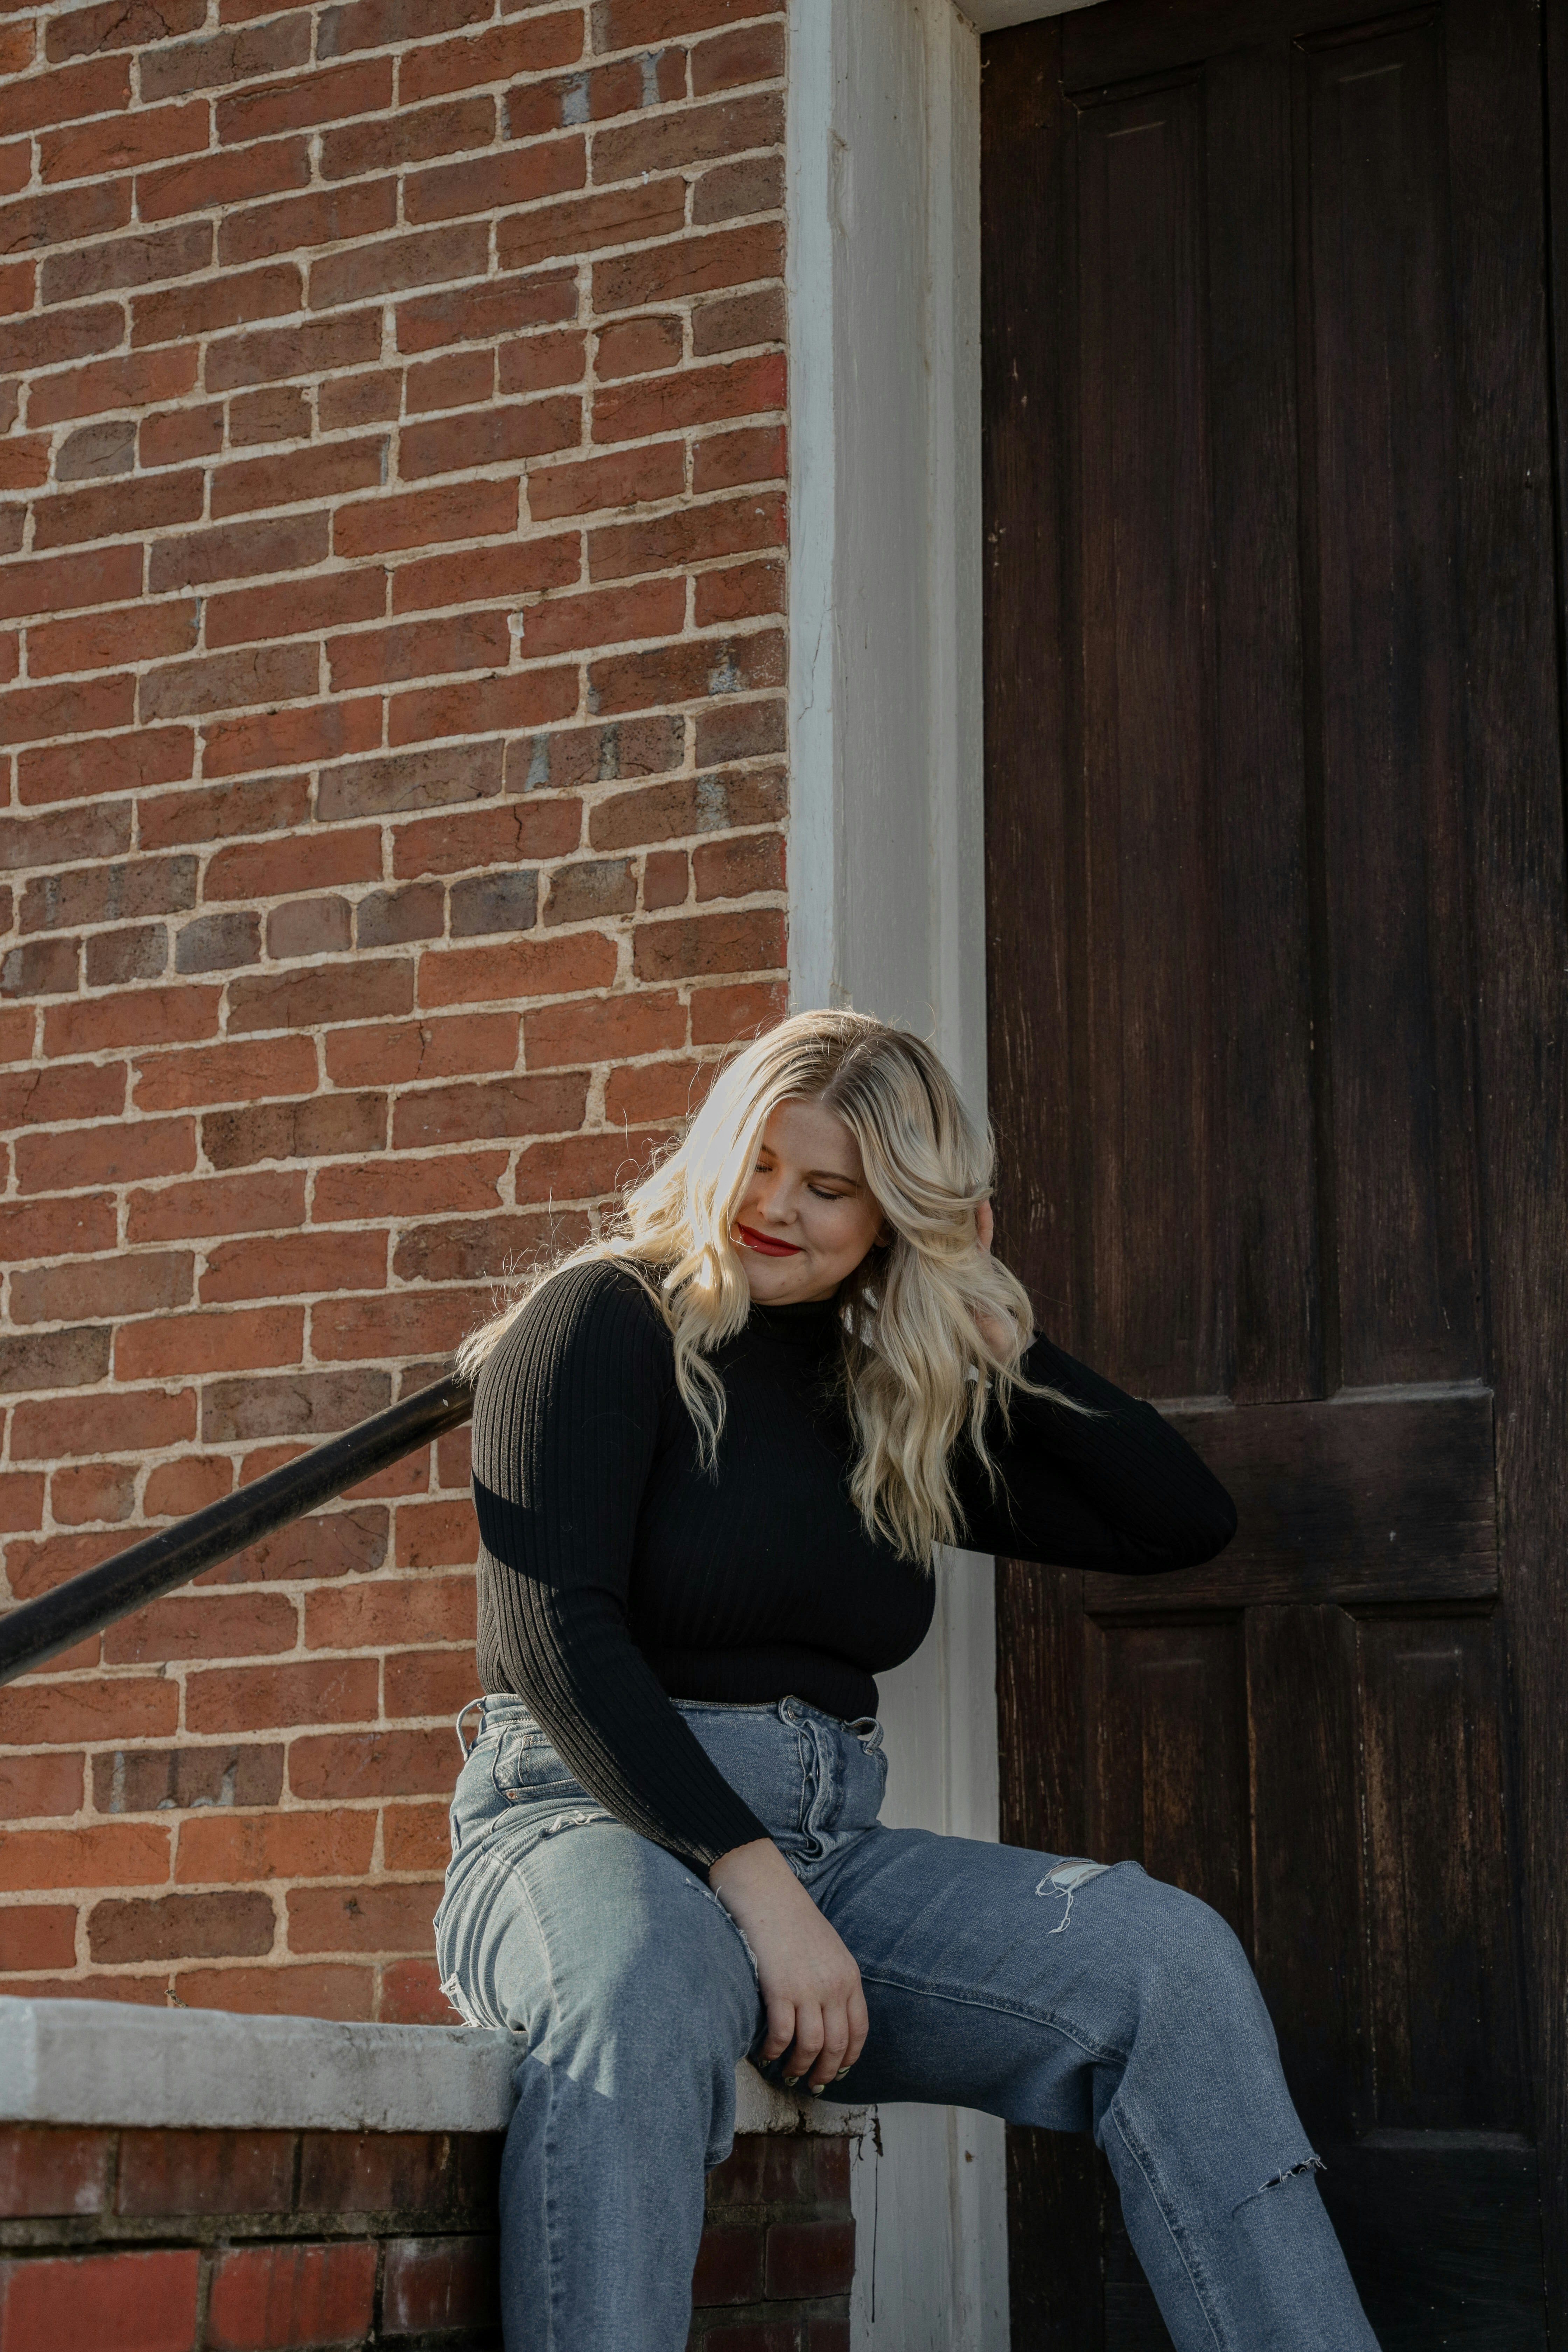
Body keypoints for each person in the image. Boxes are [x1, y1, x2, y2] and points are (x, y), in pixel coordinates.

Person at [434, 1009, 1378, 2352]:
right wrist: (755, 1888)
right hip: (592, 1825)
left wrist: (996, 1330)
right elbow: (553, 1637)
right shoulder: (599, 1321)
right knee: (633, 1991)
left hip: (835, 1858)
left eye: (830, 1191)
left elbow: (1177, 1521)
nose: (776, 1209)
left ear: (899, 1217)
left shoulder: (881, 1390)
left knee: (1169, 1964)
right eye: (759, 1164)